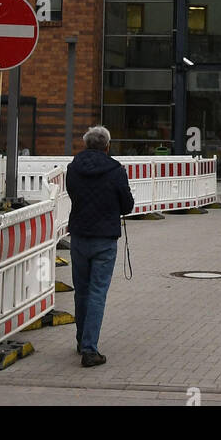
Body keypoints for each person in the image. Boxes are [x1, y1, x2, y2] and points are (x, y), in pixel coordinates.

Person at [65, 125, 134, 367]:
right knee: (97, 293)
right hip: (104, 239)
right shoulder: (116, 170)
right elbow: (127, 206)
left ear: (86, 144)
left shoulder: (73, 168)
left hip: (79, 236)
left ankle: (81, 340)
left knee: (81, 291)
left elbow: (72, 194)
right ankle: (89, 349)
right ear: (107, 146)